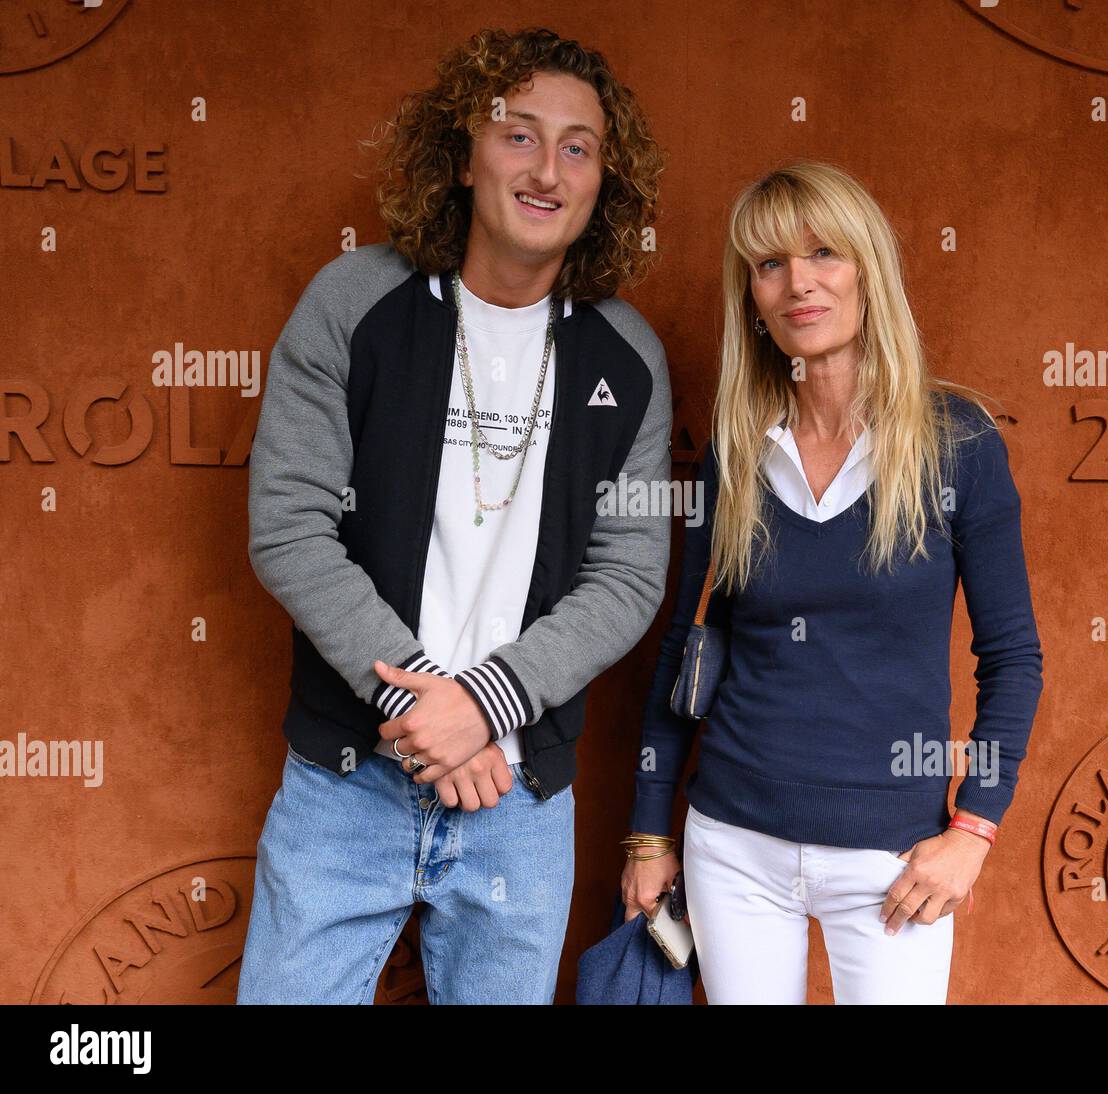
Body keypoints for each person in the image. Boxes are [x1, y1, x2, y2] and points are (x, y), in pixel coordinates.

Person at [237, 26, 672, 1005]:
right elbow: (291, 526)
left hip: (517, 800)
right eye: (518, 135)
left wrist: (483, 707)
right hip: (346, 785)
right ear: (463, 154)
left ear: (606, 180)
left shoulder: (627, 356)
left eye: (577, 147)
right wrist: (422, 701)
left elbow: (628, 574)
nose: (547, 170)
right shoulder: (353, 304)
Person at [621, 161, 1044, 1004]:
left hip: (891, 857)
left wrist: (975, 828)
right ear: (752, 294)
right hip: (731, 845)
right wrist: (646, 833)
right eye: (770, 264)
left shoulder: (958, 443)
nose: (798, 284)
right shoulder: (737, 451)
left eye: (823, 253)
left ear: (868, 271)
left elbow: (1013, 659)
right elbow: (686, 646)